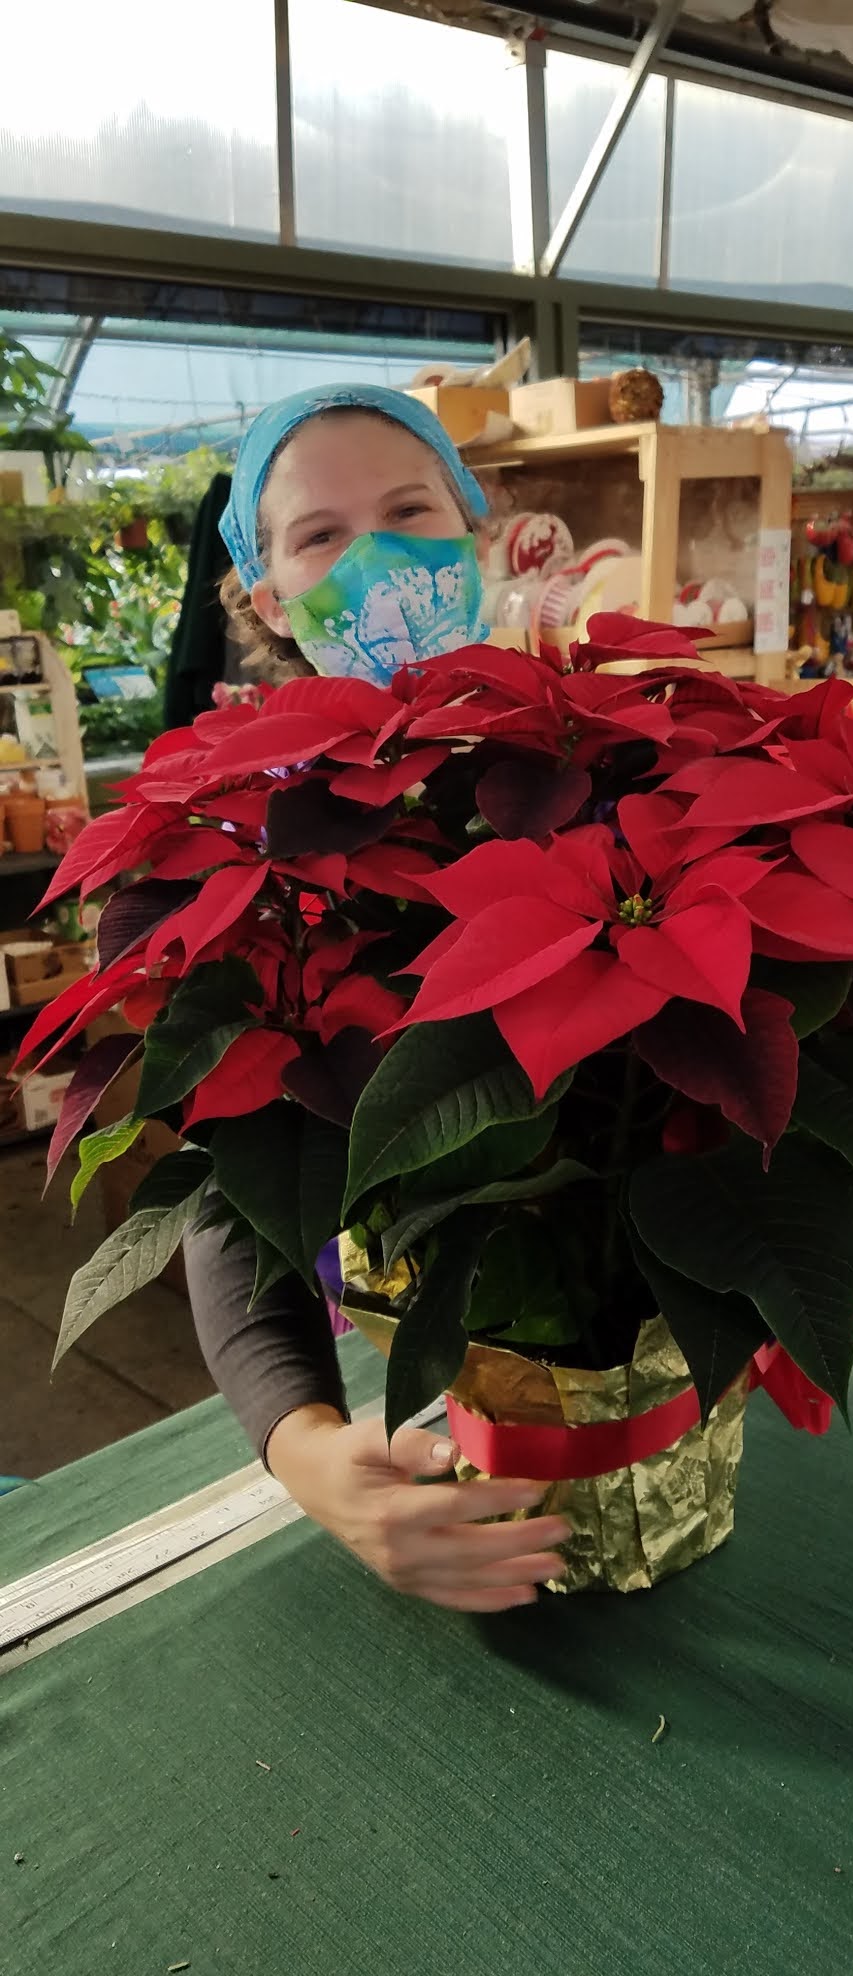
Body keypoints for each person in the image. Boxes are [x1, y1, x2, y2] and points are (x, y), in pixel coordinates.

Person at [186, 384, 569, 1613]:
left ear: (474, 528)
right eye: (320, 537)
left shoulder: (592, 762)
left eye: (409, 512)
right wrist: (303, 1446)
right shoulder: (248, 847)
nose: (378, 559)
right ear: (266, 596)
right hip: (439, 1410)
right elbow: (234, 1187)